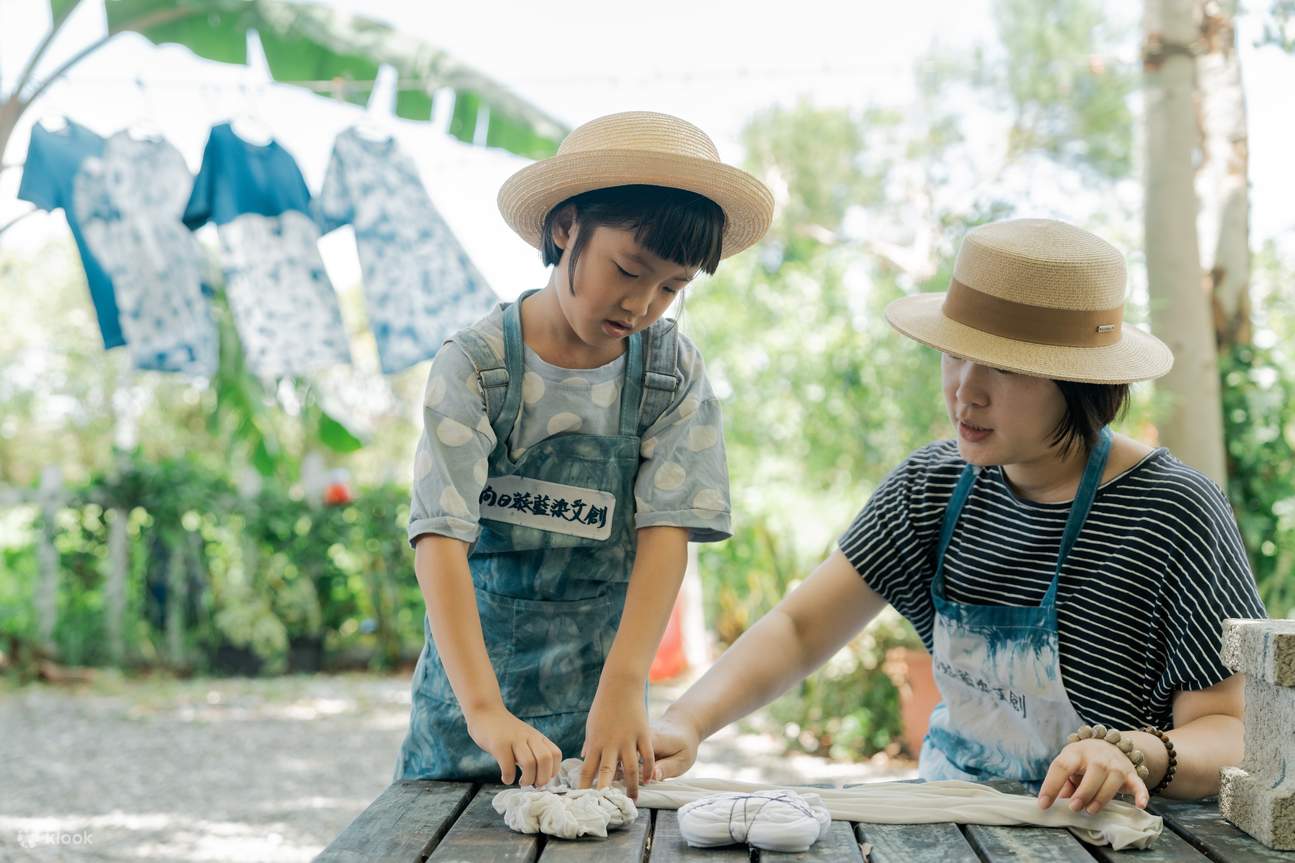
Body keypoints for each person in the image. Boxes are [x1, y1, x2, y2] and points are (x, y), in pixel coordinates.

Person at [650, 218, 1266, 815]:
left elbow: (1232, 726)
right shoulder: (931, 487)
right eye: (955, 355)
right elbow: (799, 629)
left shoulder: (1172, 510)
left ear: (1082, 383)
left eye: (1004, 367)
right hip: (945, 825)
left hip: (1100, 836)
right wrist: (687, 719)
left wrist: (1138, 753)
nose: (965, 391)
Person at [393, 111, 774, 799]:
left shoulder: (671, 375)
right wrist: (483, 710)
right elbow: (439, 536)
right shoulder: (475, 368)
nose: (641, 303)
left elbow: (667, 531)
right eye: (627, 269)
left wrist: (626, 687)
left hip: (602, 715)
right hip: (466, 717)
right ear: (565, 226)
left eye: (671, 286)